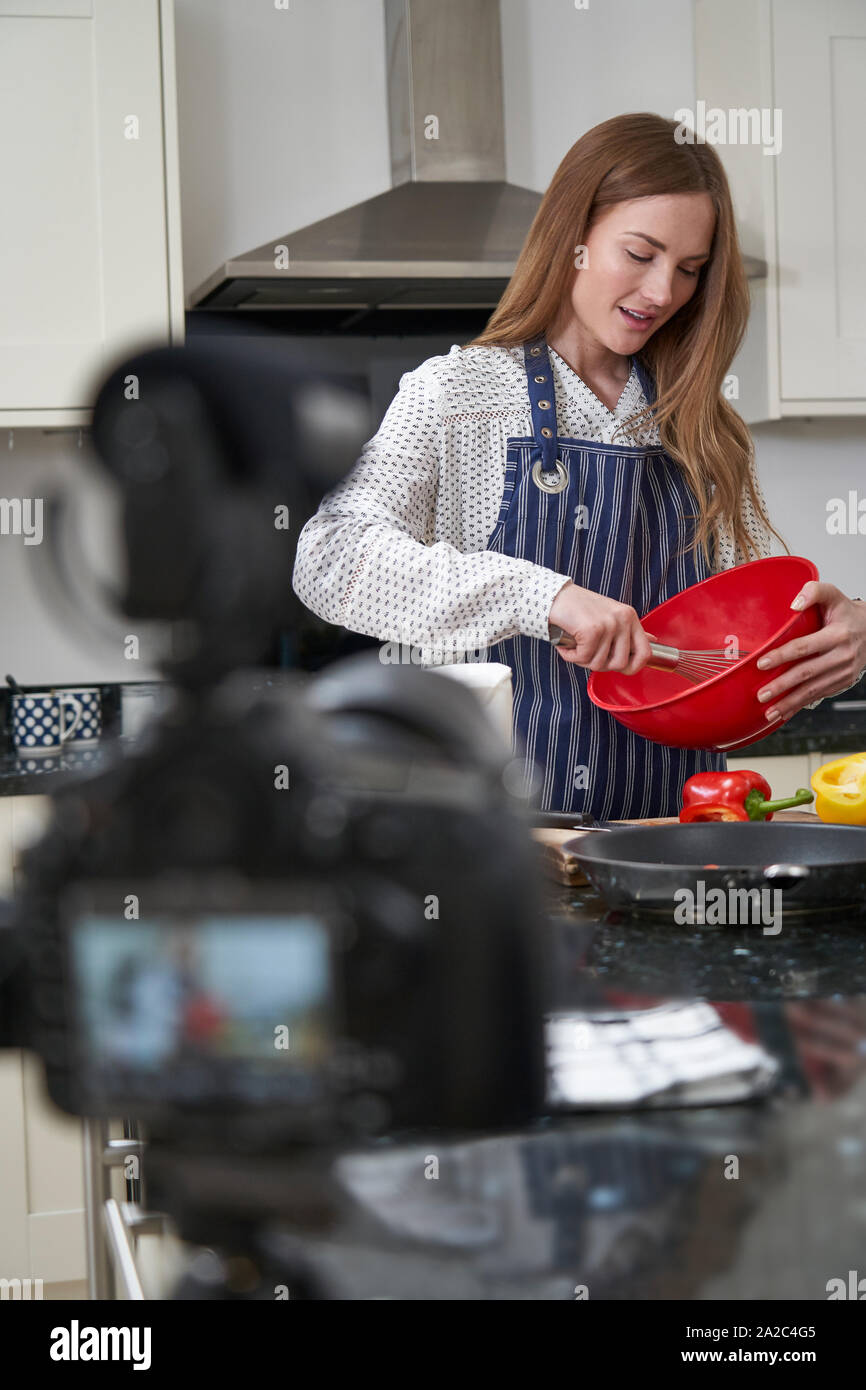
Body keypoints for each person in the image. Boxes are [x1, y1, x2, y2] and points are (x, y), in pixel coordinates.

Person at [292, 112, 866, 817]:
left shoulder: (703, 425)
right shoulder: (458, 393)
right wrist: (544, 596)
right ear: (574, 241)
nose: (663, 293)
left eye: (689, 270)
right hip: (506, 845)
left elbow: (734, 644)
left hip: (674, 835)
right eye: (641, 253)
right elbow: (329, 558)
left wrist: (833, 634)